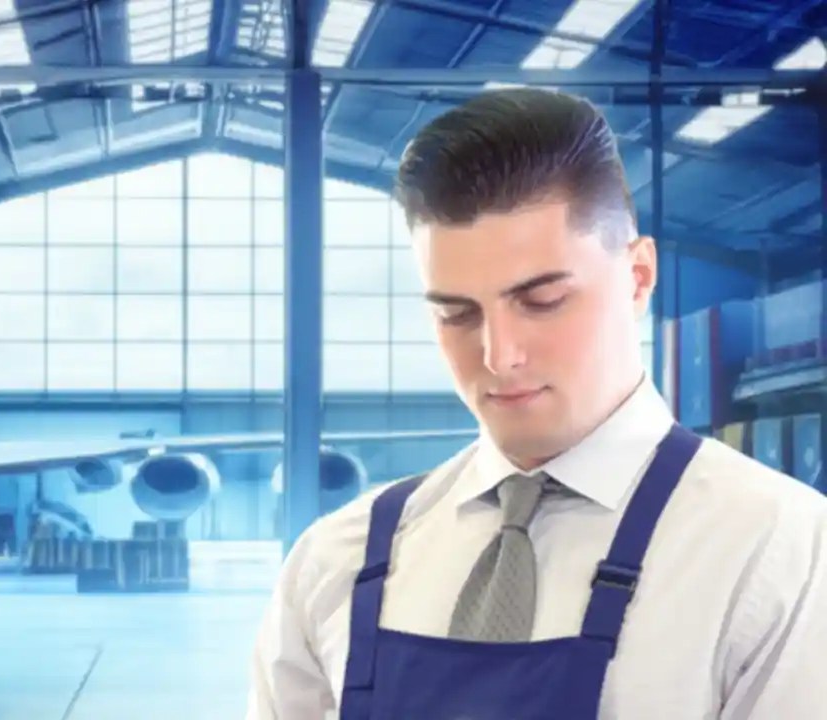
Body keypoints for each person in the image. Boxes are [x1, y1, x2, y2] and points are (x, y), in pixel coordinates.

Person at [245, 87, 827, 719]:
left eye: (542, 300)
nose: (499, 355)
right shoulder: (338, 560)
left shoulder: (776, 552)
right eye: (455, 313)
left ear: (637, 277)